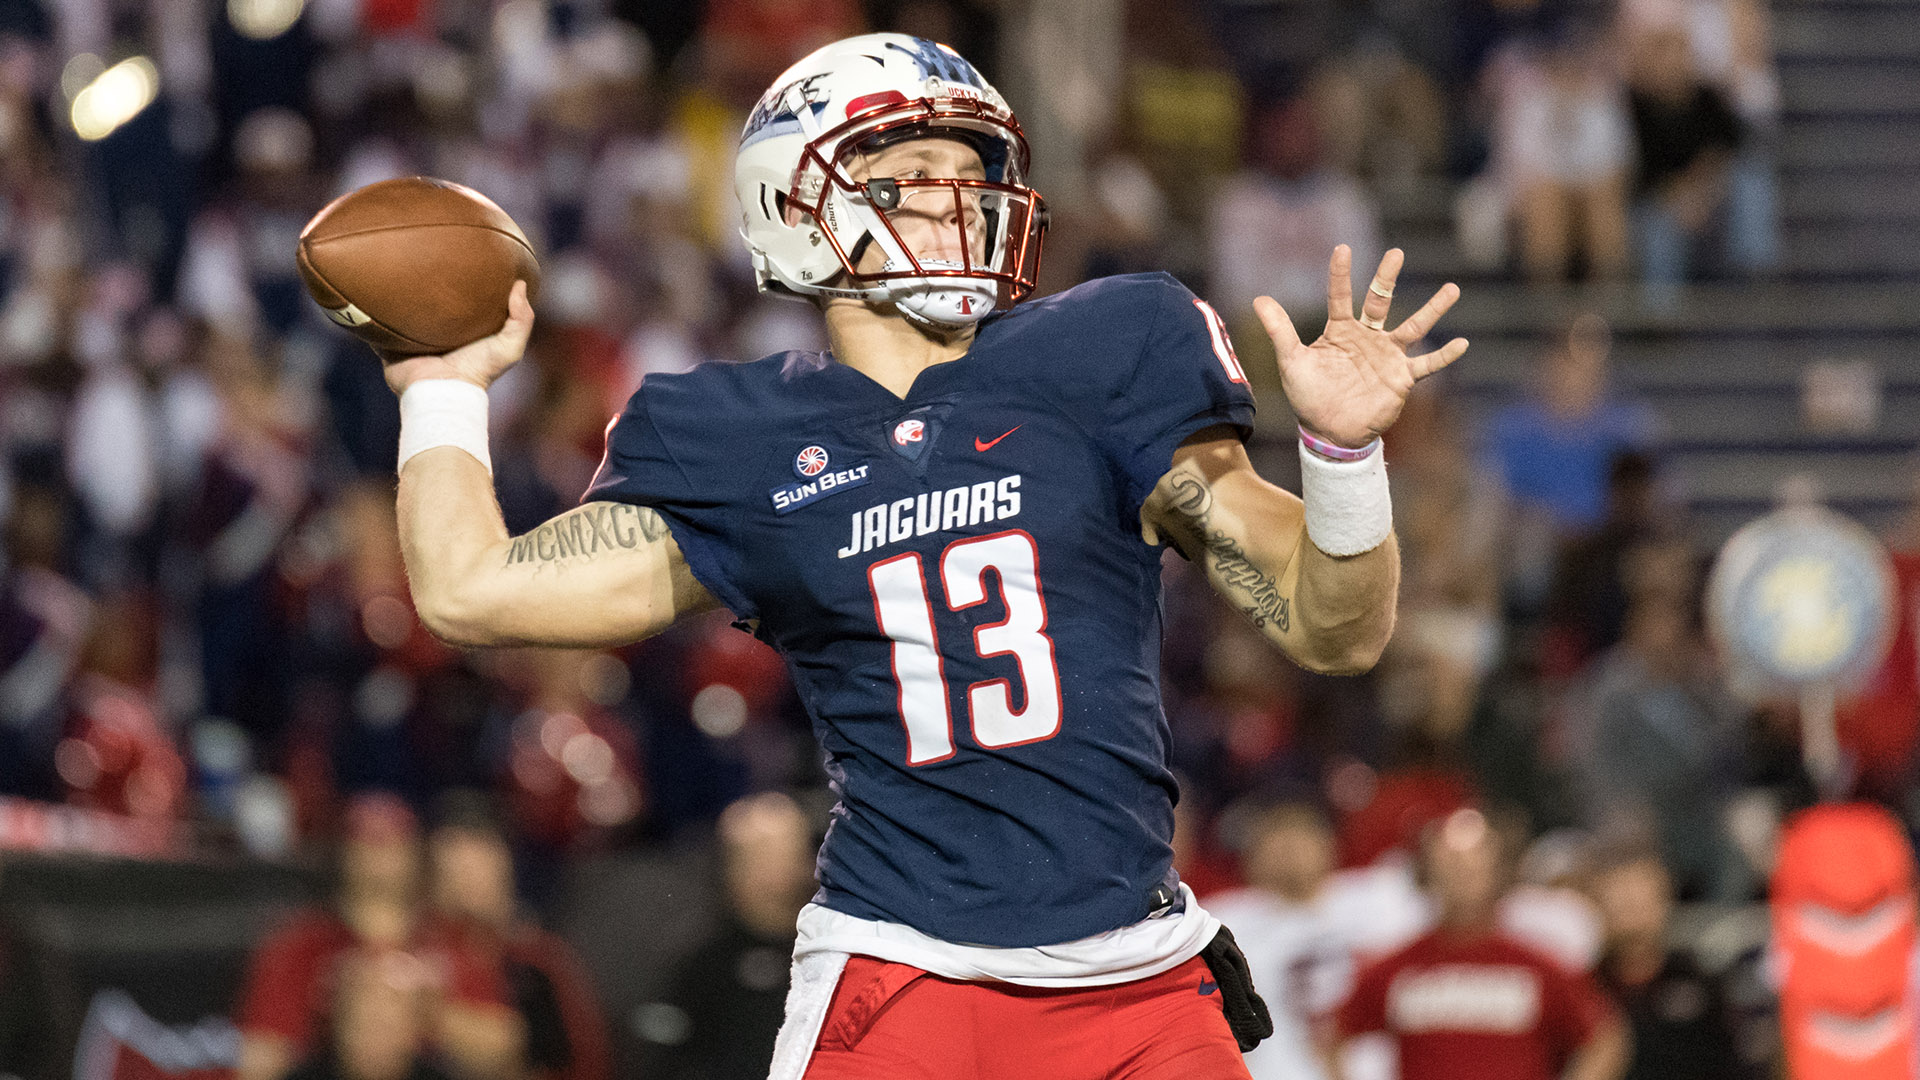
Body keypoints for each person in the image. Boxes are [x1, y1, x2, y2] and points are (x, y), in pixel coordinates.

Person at [369, 32, 1467, 1079]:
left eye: (970, 169)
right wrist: (440, 391)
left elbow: (1338, 627)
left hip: (1135, 989)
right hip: (902, 980)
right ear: (792, 203)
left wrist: (1341, 455)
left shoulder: (1102, 353)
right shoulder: (741, 438)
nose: (959, 196)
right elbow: (470, 591)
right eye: (912, 171)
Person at [236, 792, 522, 1080]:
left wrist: (426, 1012)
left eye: (391, 842)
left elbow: (504, 1048)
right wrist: (340, 1017)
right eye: (367, 841)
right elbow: (259, 1062)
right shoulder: (300, 944)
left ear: (414, 850)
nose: (379, 853)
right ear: (345, 851)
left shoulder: (448, 940)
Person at [1333, 808, 1628, 1080]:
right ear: (1430, 871)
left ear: (1495, 871)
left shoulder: (1536, 966)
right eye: (1451, 863)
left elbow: (1605, 1037)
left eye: (1474, 864)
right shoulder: (1397, 967)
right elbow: (1332, 1035)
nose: (1463, 875)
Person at [427, 794, 612, 1080]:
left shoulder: (540, 960)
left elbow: (584, 1061)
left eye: (482, 857)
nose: (470, 875)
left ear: (505, 863)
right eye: (457, 861)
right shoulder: (420, 949)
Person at [654, 791, 819, 1080]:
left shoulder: (828, 956)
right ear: (731, 867)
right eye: (759, 856)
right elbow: (665, 1059)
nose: (775, 874)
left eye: (785, 853)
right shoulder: (700, 963)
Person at [1206, 802, 1353, 1080]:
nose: (1290, 852)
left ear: (1330, 846)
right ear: (1251, 857)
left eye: (1300, 839)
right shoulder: (1221, 921)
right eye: (1277, 842)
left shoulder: (1378, 901)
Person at [1588, 848, 1750, 1080]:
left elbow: (1732, 1063)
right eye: (1621, 901)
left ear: (1664, 901)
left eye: (1640, 899)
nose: (1632, 912)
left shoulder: (1699, 984)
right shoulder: (1583, 989)